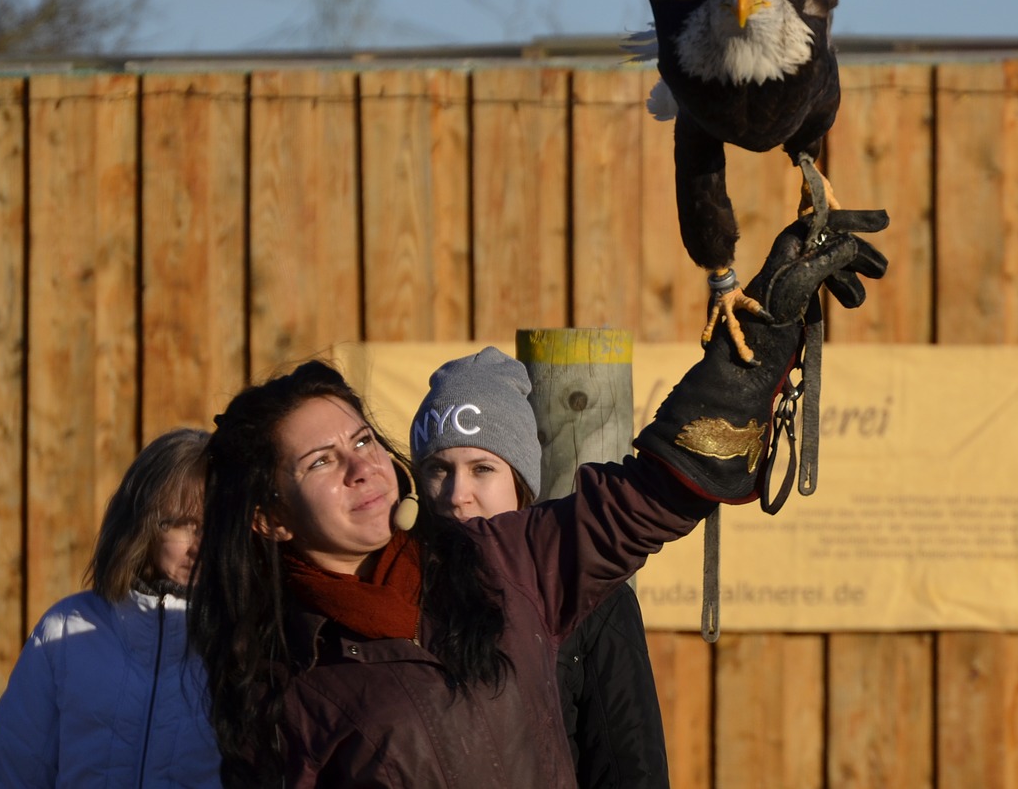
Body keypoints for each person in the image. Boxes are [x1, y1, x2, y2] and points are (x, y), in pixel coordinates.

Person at [189, 209, 886, 787]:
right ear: (268, 516)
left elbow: (652, 492)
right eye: (321, 460)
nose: (360, 466)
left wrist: (761, 332)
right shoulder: (280, 682)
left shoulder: (504, 560)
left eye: (363, 440)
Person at [410, 347, 671, 789]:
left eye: (482, 468)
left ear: (520, 483)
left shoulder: (592, 595)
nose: (457, 493)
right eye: (439, 468)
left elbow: (630, 769)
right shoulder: (392, 586)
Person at [0, 428, 219, 787]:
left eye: (216, 527)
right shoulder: (66, 632)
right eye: (184, 524)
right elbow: (9, 772)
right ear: (142, 526)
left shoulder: (247, 642)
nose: (202, 545)